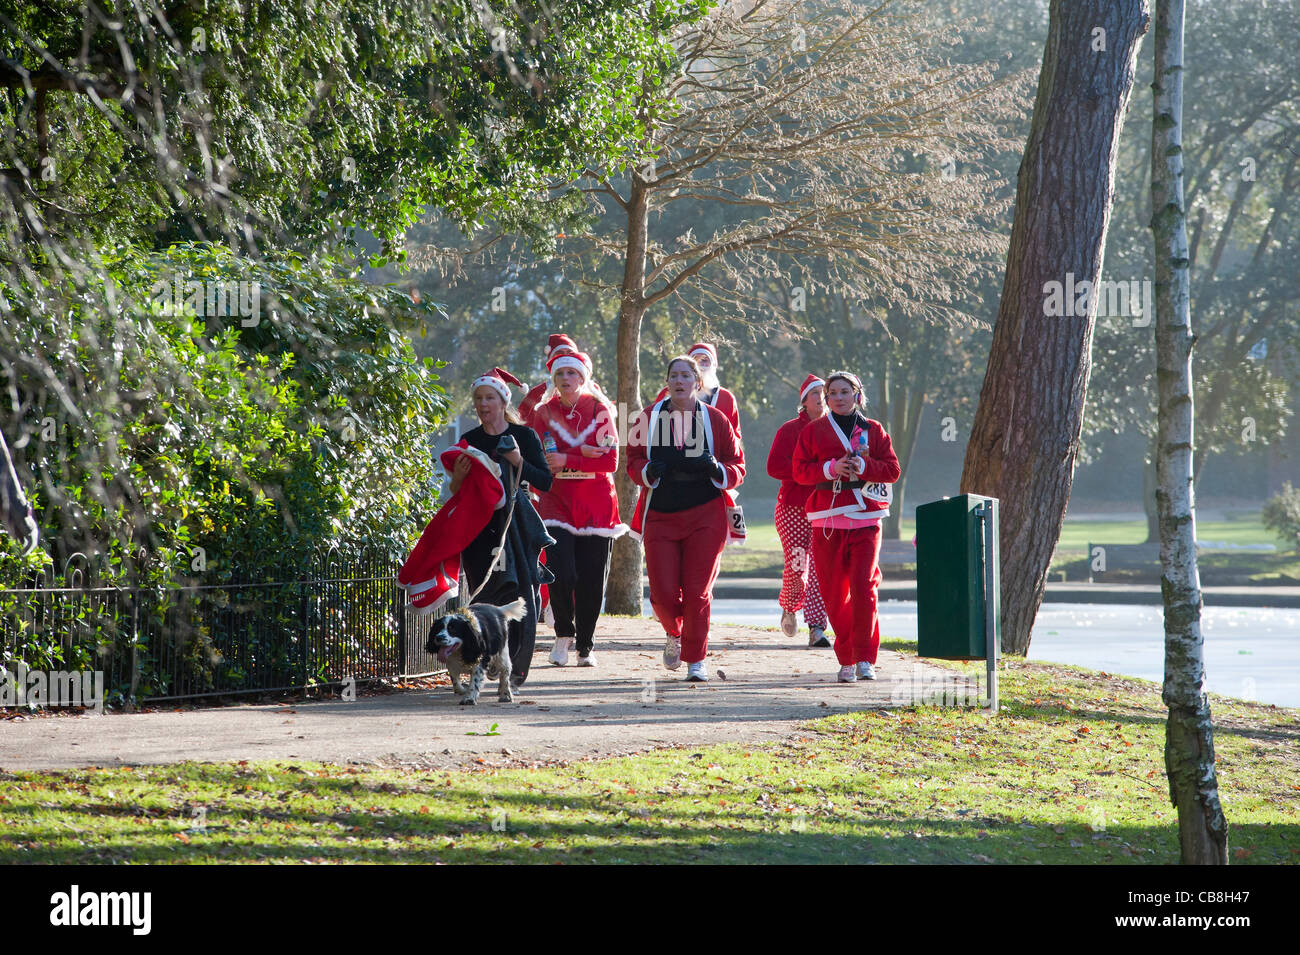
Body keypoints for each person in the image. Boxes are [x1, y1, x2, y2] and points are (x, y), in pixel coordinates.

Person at [628, 355, 745, 682]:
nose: (679, 381)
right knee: (664, 593)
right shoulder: (648, 418)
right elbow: (632, 462)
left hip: (705, 513)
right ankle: (674, 633)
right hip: (661, 514)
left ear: (698, 382)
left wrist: (717, 469)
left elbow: (738, 467)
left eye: (685, 376)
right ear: (667, 381)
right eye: (673, 375)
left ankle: (696, 660)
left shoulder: (717, 419)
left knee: (697, 591)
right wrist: (647, 471)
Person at [450, 367, 556, 687]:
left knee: (522, 594)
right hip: (480, 527)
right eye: (479, 398)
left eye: (490, 398)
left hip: (517, 524)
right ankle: (488, 660)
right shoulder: (469, 440)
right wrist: (457, 476)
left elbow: (545, 482)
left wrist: (517, 460)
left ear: (503, 401)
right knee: (484, 592)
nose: (483, 404)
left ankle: (516, 666)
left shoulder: (524, 436)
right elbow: (459, 489)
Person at [792, 371, 900, 682]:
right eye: (832, 393)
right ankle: (846, 658)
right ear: (825, 399)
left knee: (864, 588)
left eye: (844, 392)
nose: (838, 398)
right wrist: (830, 468)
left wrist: (865, 466)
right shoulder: (814, 431)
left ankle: (865, 658)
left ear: (857, 395)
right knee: (834, 593)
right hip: (827, 520)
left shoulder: (873, 430)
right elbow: (799, 471)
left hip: (866, 519)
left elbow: (892, 470)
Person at [529, 349, 627, 667]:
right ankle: (562, 637)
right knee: (561, 572)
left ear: (583, 378)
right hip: (557, 502)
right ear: (553, 380)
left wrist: (569, 459)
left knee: (590, 578)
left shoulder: (600, 411)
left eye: (572, 373)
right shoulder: (543, 412)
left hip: (596, 504)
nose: (566, 379)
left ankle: (586, 645)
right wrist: (582, 454)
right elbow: (540, 457)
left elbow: (610, 460)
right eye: (560, 374)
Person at [766, 374, 830, 648]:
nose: (821, 397)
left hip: (826, 508)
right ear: (804, 400)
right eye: (815, 393)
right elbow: (772, 467)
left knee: (819, 568)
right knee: (797, 564)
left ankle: (816, 627)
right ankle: (790, 606)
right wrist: (807, 472)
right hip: (792, 508)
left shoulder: (834, 428)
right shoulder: (789, 429)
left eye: (824, 392)